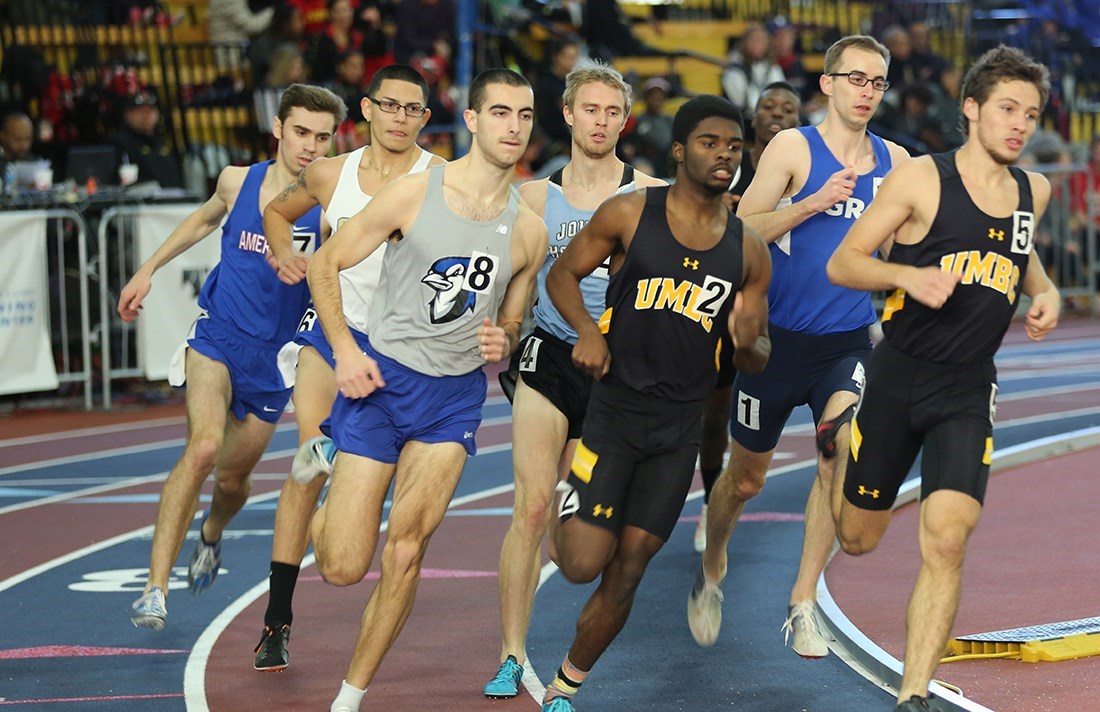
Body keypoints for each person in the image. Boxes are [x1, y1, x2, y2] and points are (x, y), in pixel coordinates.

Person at [302, 68, 547, 712]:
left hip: (453, 400)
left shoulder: (529, 232)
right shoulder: (414, 193)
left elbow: (513, 322)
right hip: (382, 382)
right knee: (343, 566)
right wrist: (347, 351)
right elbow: (324, 262)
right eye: (499, 113)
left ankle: (349, 696)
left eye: (523, 116)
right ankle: (329, 486)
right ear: (471, 119)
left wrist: (506, 340)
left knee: (406, 550)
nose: (513, 127)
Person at [826, 45, 1059, 712]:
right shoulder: (922, 181)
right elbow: (845, 263)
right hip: (899, 376)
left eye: (1032, 113)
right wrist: (906, 276)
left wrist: (1041, 290)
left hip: (966, 386)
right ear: (972, 109)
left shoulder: (1031, 190)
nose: (1020, 123)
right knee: (857, 540)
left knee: (948, 539)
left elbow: (1019, 249)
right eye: (1007, 109)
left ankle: (912, 696)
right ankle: (843, 441)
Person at [540, 95, 772, 712]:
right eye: (709, 142)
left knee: (633, 563)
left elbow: (754, 355)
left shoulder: (748, 251)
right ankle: (564, 503)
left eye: (734, 146)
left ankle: (565, 686)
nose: (724, 154)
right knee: (582, 564)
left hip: (678, 431)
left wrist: (749, 345)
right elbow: (560, 275)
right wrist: (588, 332)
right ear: (678, 150)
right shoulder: (629, 214)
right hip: (614, 416)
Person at [688, 35, 911, 655]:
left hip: (845, 342)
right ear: (829, 83)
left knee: (837, 451)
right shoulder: (793, 147)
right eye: (855, 79)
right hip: (772, 344)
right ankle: (713, 565)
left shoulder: (896, 161)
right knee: (746, 481)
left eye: (876, 82)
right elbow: (739, 230)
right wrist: (813, 202)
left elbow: (896, 252)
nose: (866, 92)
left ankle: (803, 600)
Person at [122, 84, 346, 631]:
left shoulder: (330, 206)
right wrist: (147, 268)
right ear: (278, 128)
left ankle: (212, 533)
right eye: (300, 133)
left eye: (322, 138)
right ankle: (155, 589)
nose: (310, 147)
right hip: (218, 336)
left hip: (274, 363)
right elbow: (203, 220)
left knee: (229, 482)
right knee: (201, 449)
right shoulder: (237, 180)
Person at [251, 64, 444, 672]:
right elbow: (278, 213)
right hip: (332, 331)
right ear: (367, 108)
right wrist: (286, 256)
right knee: (309, 461)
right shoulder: (330, 172)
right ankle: (276, 621)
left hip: (400, 348)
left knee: (347, 528)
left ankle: (347, 499)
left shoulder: (441, 178)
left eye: (412, 109)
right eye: (390, 105)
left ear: (424, 118)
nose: (400, 118)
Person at [481, 60, 664, 700]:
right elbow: (502, 272)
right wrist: (499, 327)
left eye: (613, 112)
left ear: (625, 119)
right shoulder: (533, 195)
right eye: (591, 109)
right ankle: (510, 654)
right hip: (551, 357)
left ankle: (569, 500)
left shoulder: (651, 194)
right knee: (529, 505)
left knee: (573, 551)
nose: (602, 121)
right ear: (567, 114)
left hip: (616, 374)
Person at [696, 81, 801, 553]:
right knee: (715, 409)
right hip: (723, 302)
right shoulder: (729, 167)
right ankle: (709, 497)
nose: (777, 114)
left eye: (788, 109)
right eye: (768, 106)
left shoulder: (806, 171)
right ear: (752, 117)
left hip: (783, 309)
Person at [111, 91, 184, 189]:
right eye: (140, 111)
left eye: (150, 110)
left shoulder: (162, 142)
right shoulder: (119, 144)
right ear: (127, 114)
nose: (146, 116)